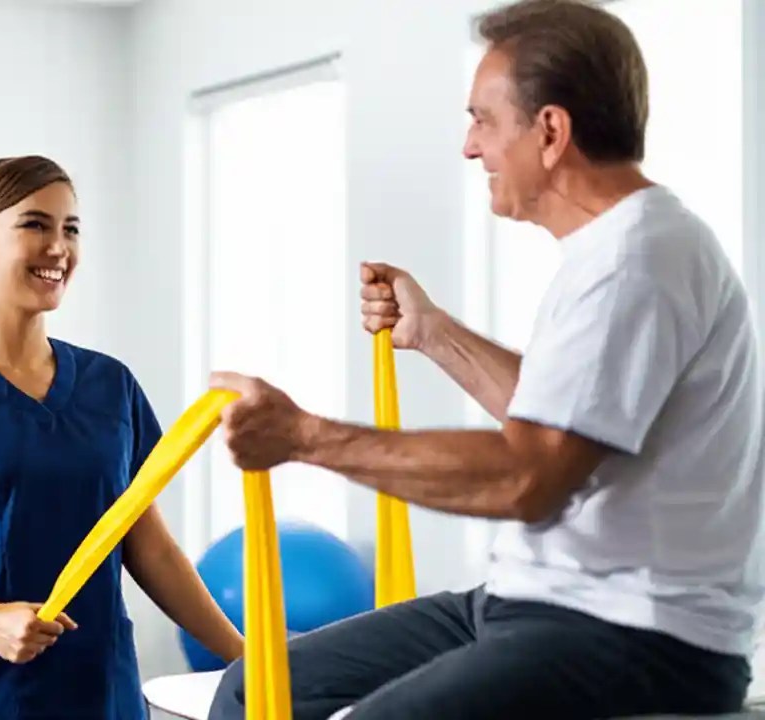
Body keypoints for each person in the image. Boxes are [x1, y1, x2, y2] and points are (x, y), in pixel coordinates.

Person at [206, 1, 764, 719]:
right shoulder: (618, 247)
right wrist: (433, 331)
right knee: (257, 686)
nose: (471, 147)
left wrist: (305, 437)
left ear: (551, 131)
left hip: (638, 636)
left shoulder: (637, 262)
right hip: (529, 603)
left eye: (483, 120)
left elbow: (531, 476)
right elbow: (560, 415)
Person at [0, 155, 244, 719]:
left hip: (98, 689)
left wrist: (248, 661)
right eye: (35, 225)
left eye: (71, 229)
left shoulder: (110, 385)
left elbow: (149, 548)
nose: (59, 247)